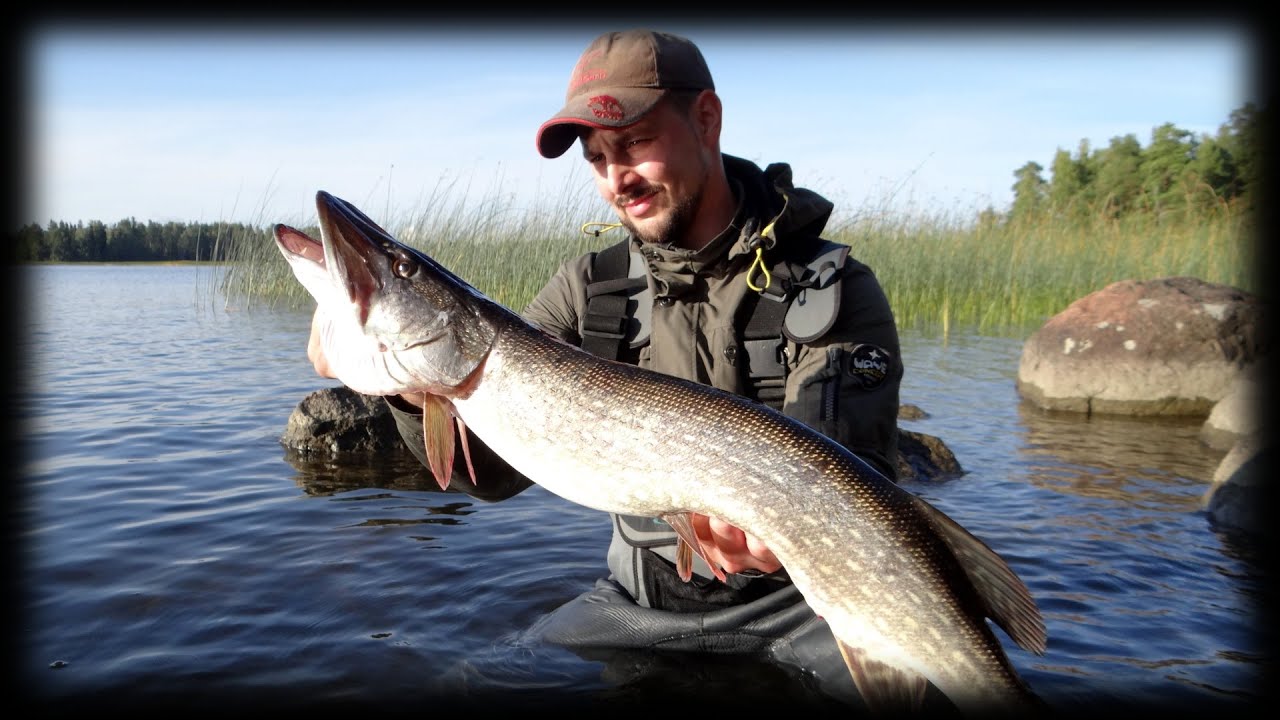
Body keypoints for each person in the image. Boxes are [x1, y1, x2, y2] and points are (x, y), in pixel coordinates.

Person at [307, 28, 903, 707]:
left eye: (636, 143)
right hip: (635, 603)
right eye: (596, 158)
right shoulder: (586, 288)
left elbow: (853, 477)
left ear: (706, 119)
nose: (617, 178)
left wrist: (789, 540)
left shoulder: (830, 287)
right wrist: (412, 392)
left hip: (804, 605)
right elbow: (494, 476)